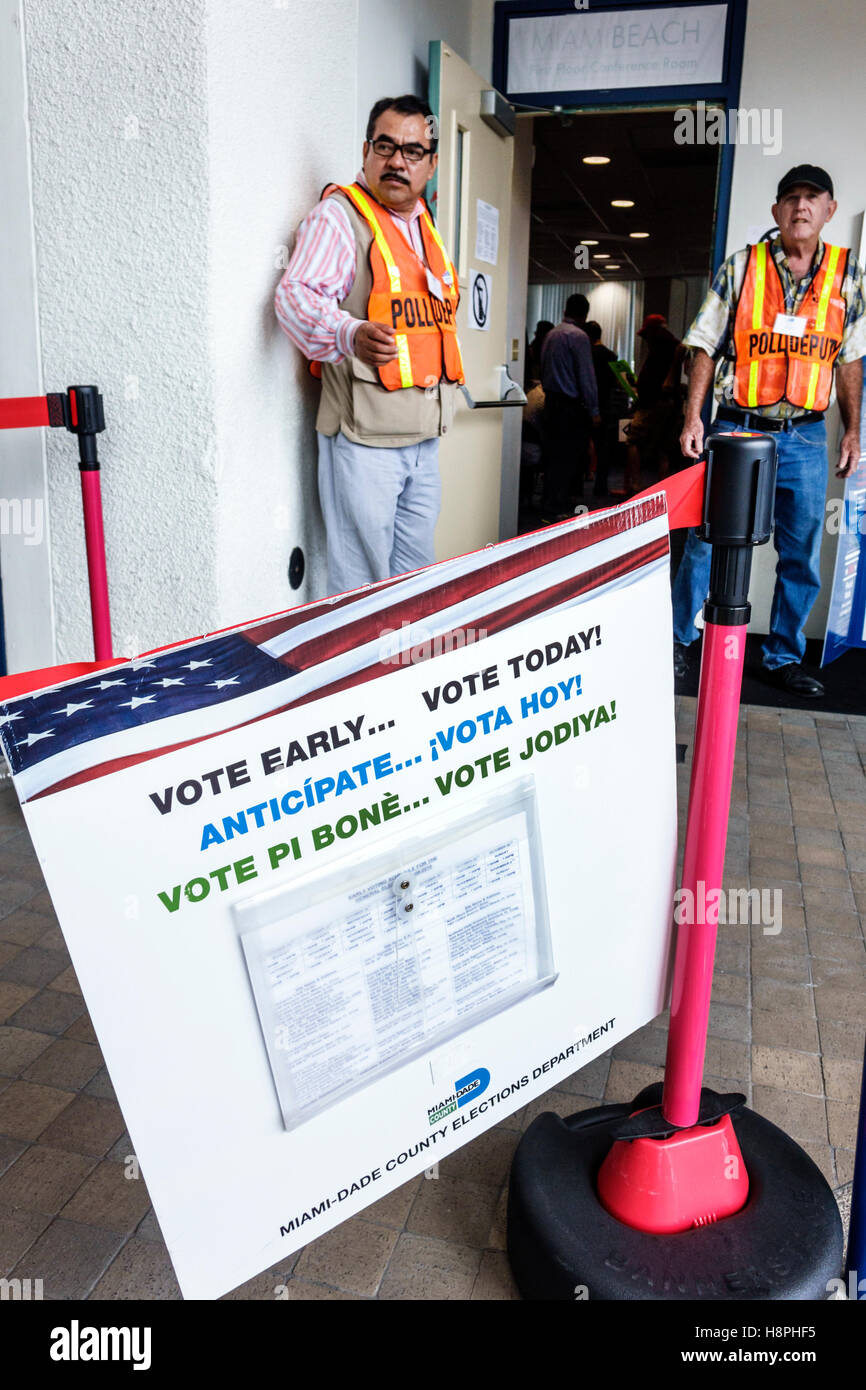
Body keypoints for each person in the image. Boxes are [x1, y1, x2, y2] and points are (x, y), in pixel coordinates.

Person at [673, 165, 866, 698]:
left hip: (805, 435)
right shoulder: (742, 267)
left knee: (801, 553)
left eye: (812, 198)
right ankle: (677, 642)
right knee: (705, 543)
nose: (800, 207)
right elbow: (704, 345)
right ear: (776, 210)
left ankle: (782, 657)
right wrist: (695, 418)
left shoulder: (849, 278)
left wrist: (853, 431)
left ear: (829, 209)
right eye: (791, 198)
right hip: (738, 429)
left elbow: (850, 360)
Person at [275, 95, 463, 595]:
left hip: (424, 438)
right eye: (386, 146)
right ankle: (363, 672)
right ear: (365, 151)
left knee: (415, 578)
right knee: (361, 582)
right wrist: (348, 332)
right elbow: (293, 297)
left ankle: (406, 669)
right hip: (364, 438)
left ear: (432, 163)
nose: (398, 160)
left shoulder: (426, 228)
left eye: (413, 151)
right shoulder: (340, 218)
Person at [539, 294, 600, 522]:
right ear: (584, 314)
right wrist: (594, 410)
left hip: (551, 403)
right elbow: (586, 376)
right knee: (568, 457)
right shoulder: (579, 337)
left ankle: (549, 505)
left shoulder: (551, 335)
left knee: (552, 456)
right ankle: (558, 507)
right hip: (570, 407)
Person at [624, 314, 686, 492]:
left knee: (633, 440)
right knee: (663, 446)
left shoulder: (662, 340)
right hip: (665, 400)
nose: (645, 340)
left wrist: (671, 377)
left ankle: (634, 486)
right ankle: (663, 487)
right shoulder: (662, 347)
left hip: (655, 401)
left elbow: (681, 347)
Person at [585, 321, 618, 498]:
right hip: (606, 405)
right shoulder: (611, 355)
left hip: (585, 405)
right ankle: (601, 487)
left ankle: (576, 486)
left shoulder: (586, 354)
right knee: (604, 449)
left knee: (582, 445)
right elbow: (617, 381)